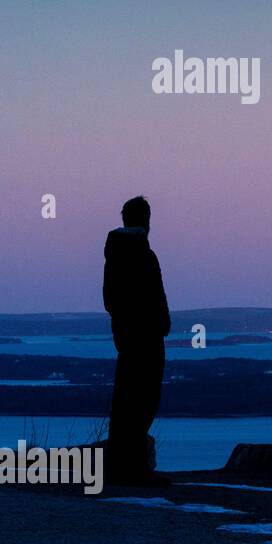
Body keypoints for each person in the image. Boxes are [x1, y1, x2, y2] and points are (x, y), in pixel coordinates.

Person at [103, 196, 171, 485]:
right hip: (144, 336)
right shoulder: (141, 255)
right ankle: (133, 467)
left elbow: (111, 299)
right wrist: (157, 322)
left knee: (128, 398)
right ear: (145, 220)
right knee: (143, 398)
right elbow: (153, 295)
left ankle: (125, 463)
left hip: (130, 336)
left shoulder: (118, 254)